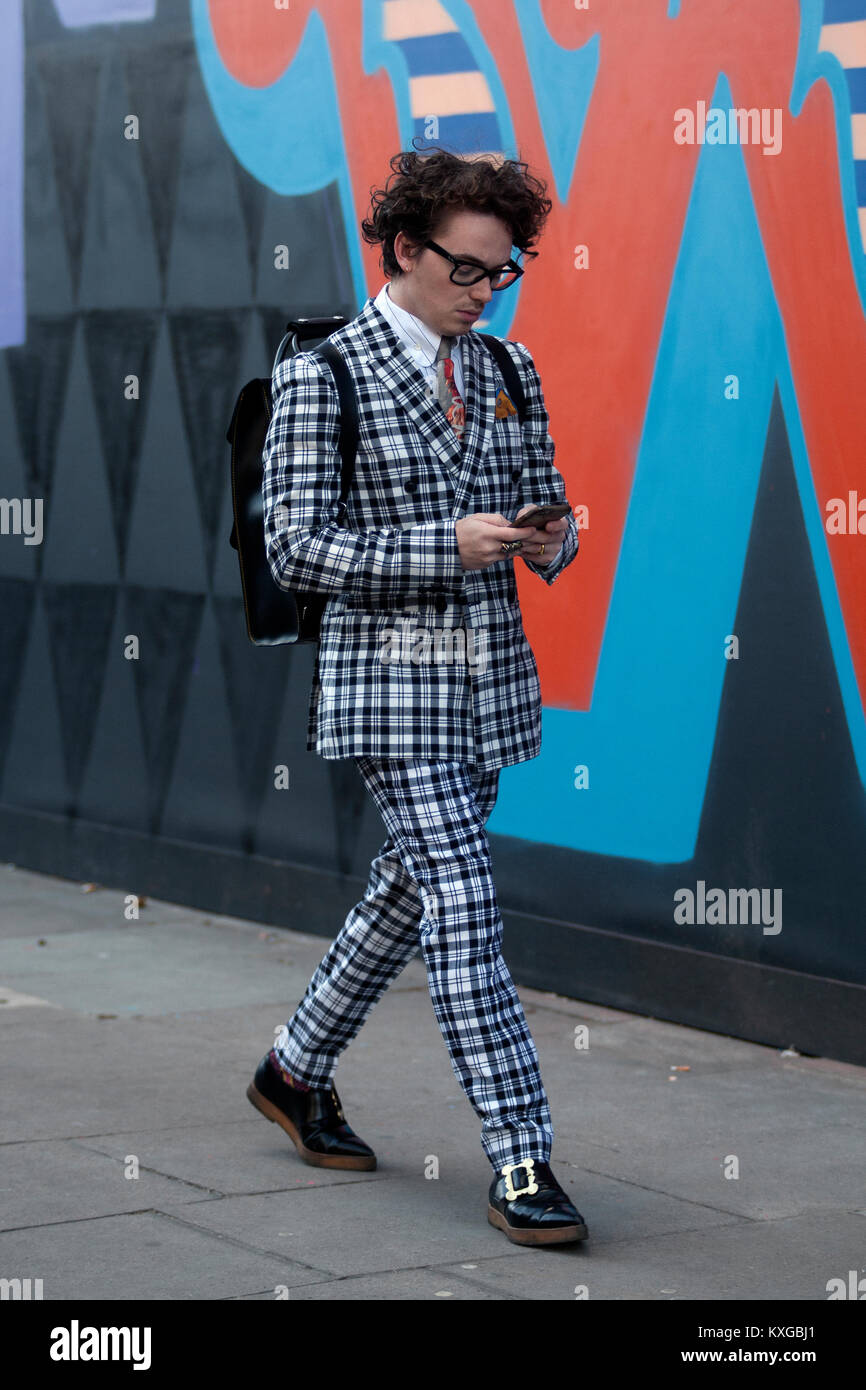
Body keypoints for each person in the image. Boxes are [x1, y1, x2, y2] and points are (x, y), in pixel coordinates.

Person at [248, 144, 586, 1246]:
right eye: (468, 271)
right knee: (463, 899)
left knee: (409, 889)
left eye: (504, 272)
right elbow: (296, 547)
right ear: (403, 248)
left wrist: (550, 537)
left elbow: (537, 506)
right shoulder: (326, 372)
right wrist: (444, 547)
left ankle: (294, 1071)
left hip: (486, 683)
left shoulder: (505, 369)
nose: (486, 293)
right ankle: (520, 1154)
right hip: (388, 687)